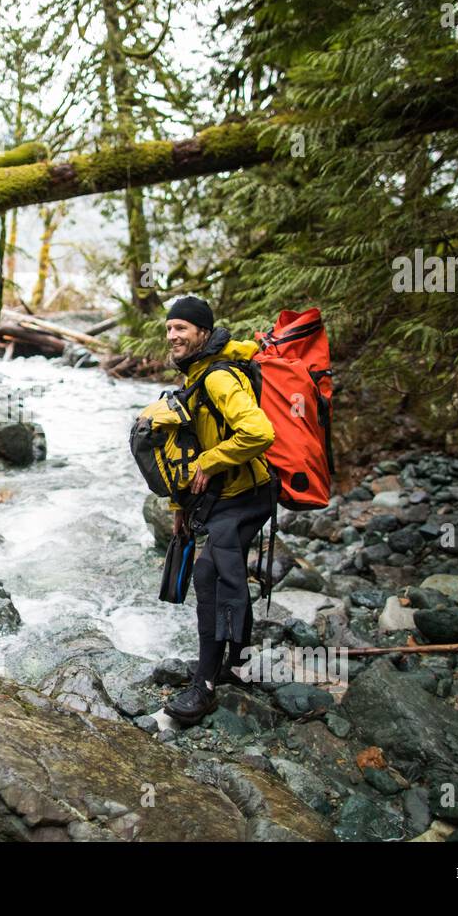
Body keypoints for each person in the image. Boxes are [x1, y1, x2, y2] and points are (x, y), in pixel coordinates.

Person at [160, 295, 278, 727]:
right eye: (170, 328)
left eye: (182, 329)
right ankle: (239, 663)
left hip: (248, 494)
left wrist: (210, 464)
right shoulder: (195, 376)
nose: (173, 335)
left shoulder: (217, 378)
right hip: (225, 496)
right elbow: (188, 445)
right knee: (226, 571)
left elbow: (259, 432)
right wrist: (179, 506)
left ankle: (205, 686)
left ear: (204, 333)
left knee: (210, 574)